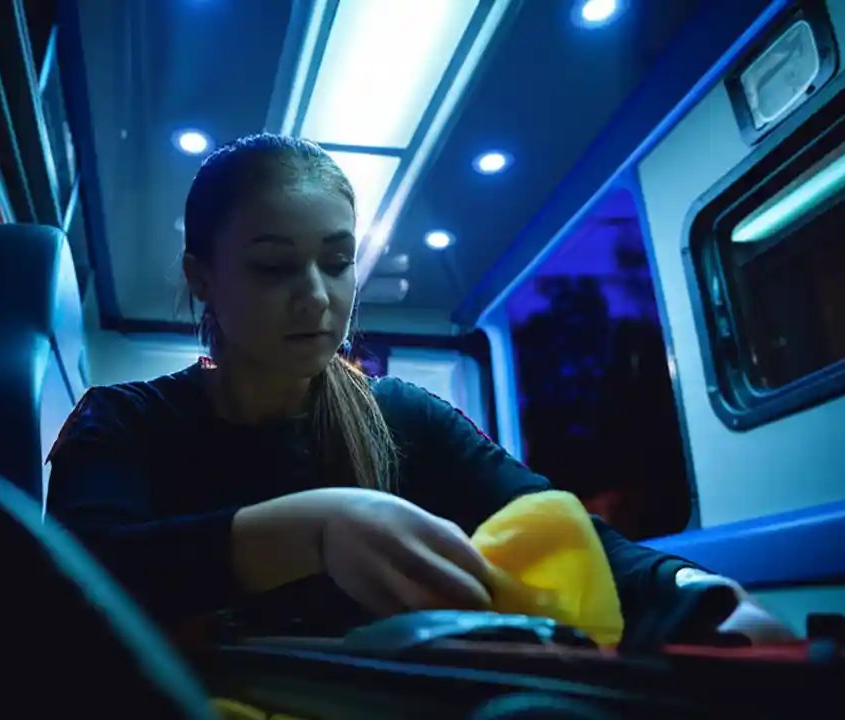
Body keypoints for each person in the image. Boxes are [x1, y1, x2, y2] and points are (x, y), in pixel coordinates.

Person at [47, 133, 791, 645]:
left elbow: (563, 530)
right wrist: (317, 526)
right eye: (274, 267)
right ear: (202, 277)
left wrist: (703, 592)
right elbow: (76, 587)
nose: (315, 298)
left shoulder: (404, 417)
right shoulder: (124, 424)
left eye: (337, 263)